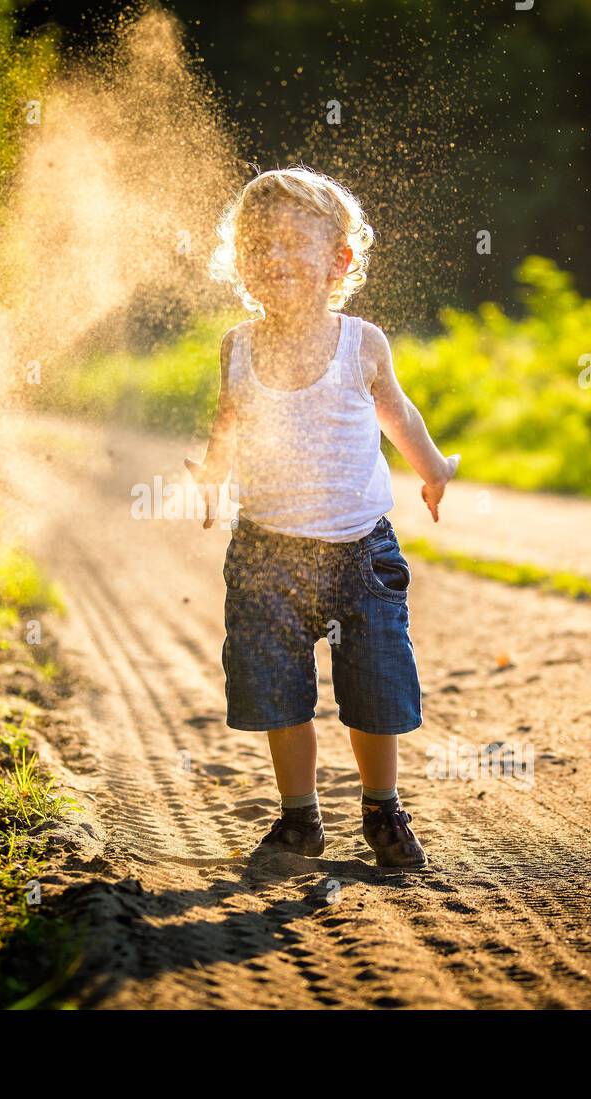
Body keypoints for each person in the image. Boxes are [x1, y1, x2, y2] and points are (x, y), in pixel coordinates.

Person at [185, 167, 459, 868]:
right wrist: (213, 474)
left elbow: (398, 412)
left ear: (339, 260)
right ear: (239, 263)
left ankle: (383, 808)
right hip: (266, 554)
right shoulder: (236, 346)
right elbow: (228, 419)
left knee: (373, 685)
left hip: (358, 553)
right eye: (256, 246)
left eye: (290, 243)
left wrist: (431, 468)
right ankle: (299, 818)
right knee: (280, 692)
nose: (272, 259)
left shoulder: (361, 343)